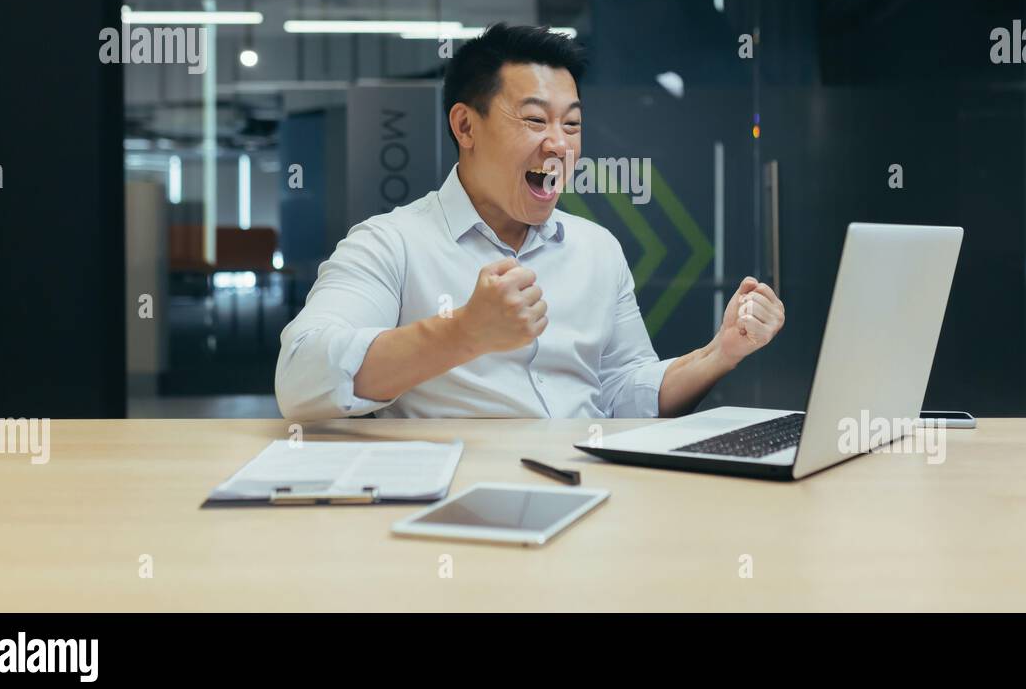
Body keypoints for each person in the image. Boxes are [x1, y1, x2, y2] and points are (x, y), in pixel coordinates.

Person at [275, 23, 785, 421]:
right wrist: (464, 333)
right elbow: (300, 376)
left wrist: (718, 354)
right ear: (465, 125)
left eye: (573, 124)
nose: (559, 144)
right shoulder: (390, 244)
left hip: (594, 491)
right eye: (536, 120)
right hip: (458, 504)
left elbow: (621, 393)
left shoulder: (597, 249)